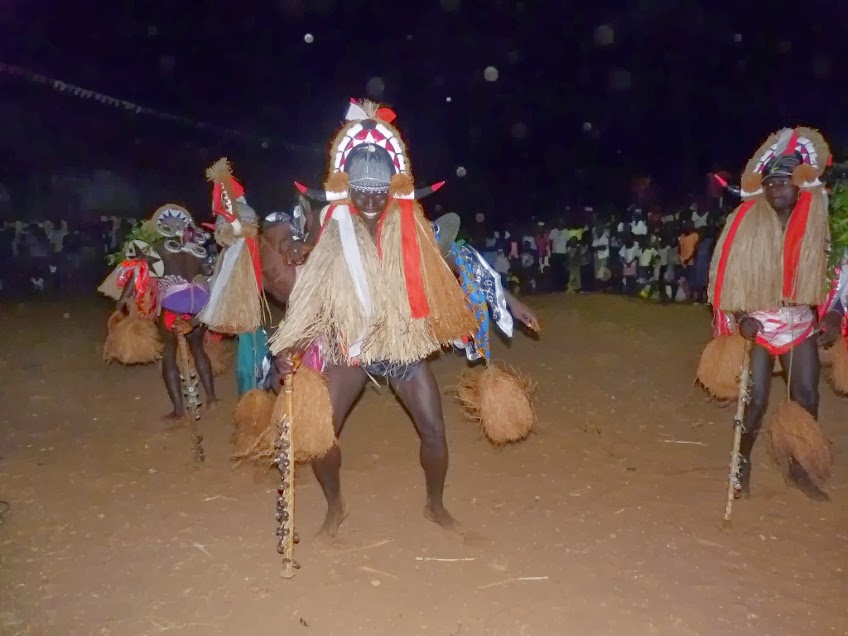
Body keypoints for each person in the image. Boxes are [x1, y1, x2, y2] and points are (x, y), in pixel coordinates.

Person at [271, 99, 478, 541]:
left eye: (377, 191)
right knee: (323, 436)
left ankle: (435, 503)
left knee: (435, 432)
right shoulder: (333, 235)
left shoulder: (411, 230)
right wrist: (287, 352)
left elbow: (451, 266)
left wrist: (499, 301)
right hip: (351, 346)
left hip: (401, 346)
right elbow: (311, 301)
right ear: (346, 189)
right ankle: (334, 506)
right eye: (360, 191)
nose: (368, 200)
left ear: (392, 190)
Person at [705, 126, 842, 499]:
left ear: (799, 185)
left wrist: (834, 311)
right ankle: (741, 464)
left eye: (785, 181)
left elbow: (835, 271)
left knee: (807, 395)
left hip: (799, 320)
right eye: (771, 182)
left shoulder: (817, 223)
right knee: (757, 398)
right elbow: (726, 277)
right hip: (760, 324)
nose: (777, 187)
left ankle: (799, 464)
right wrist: (739, 319)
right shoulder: (745, 225)